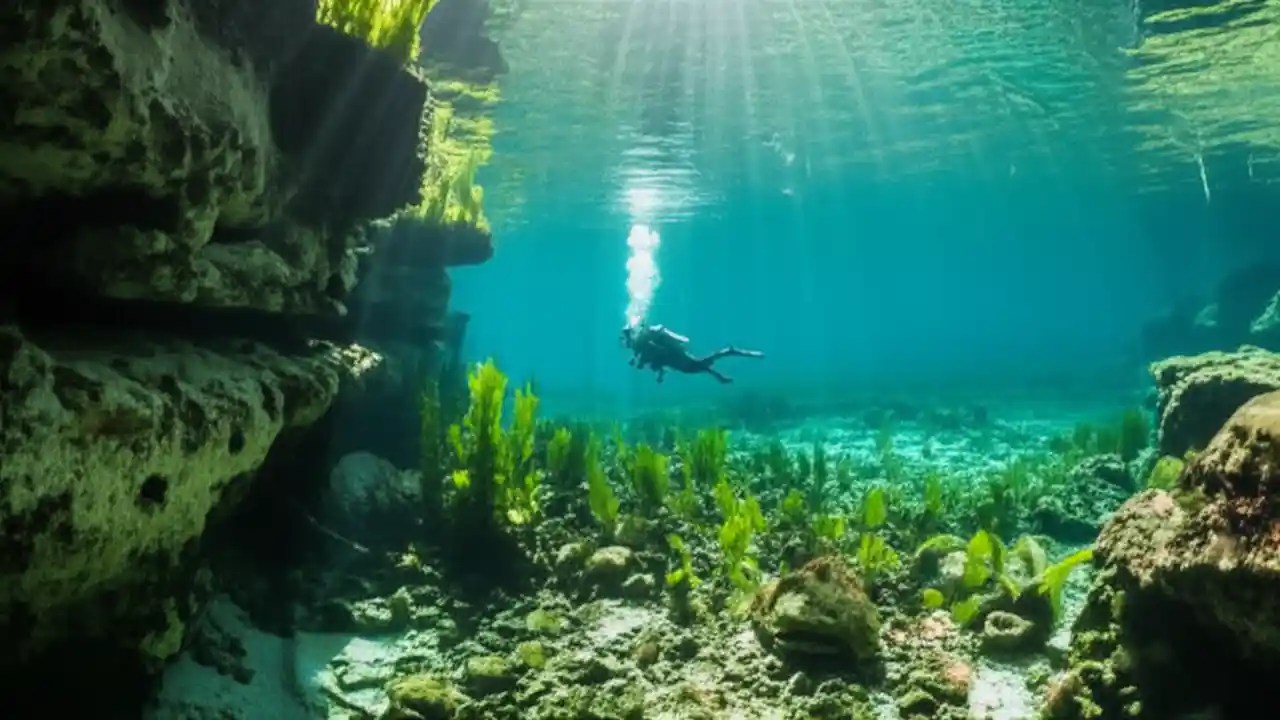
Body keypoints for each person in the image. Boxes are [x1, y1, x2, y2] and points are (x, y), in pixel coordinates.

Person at [621, 323, 764, 384]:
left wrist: (657, 371)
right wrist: (659, 374)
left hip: (682, 363)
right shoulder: (642, 347)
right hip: (681, 364)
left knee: (702, 364)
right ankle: (723, 369)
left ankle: (733, 352)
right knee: (702, 365)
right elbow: (657, 362)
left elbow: (657, 358)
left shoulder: (645, 345)